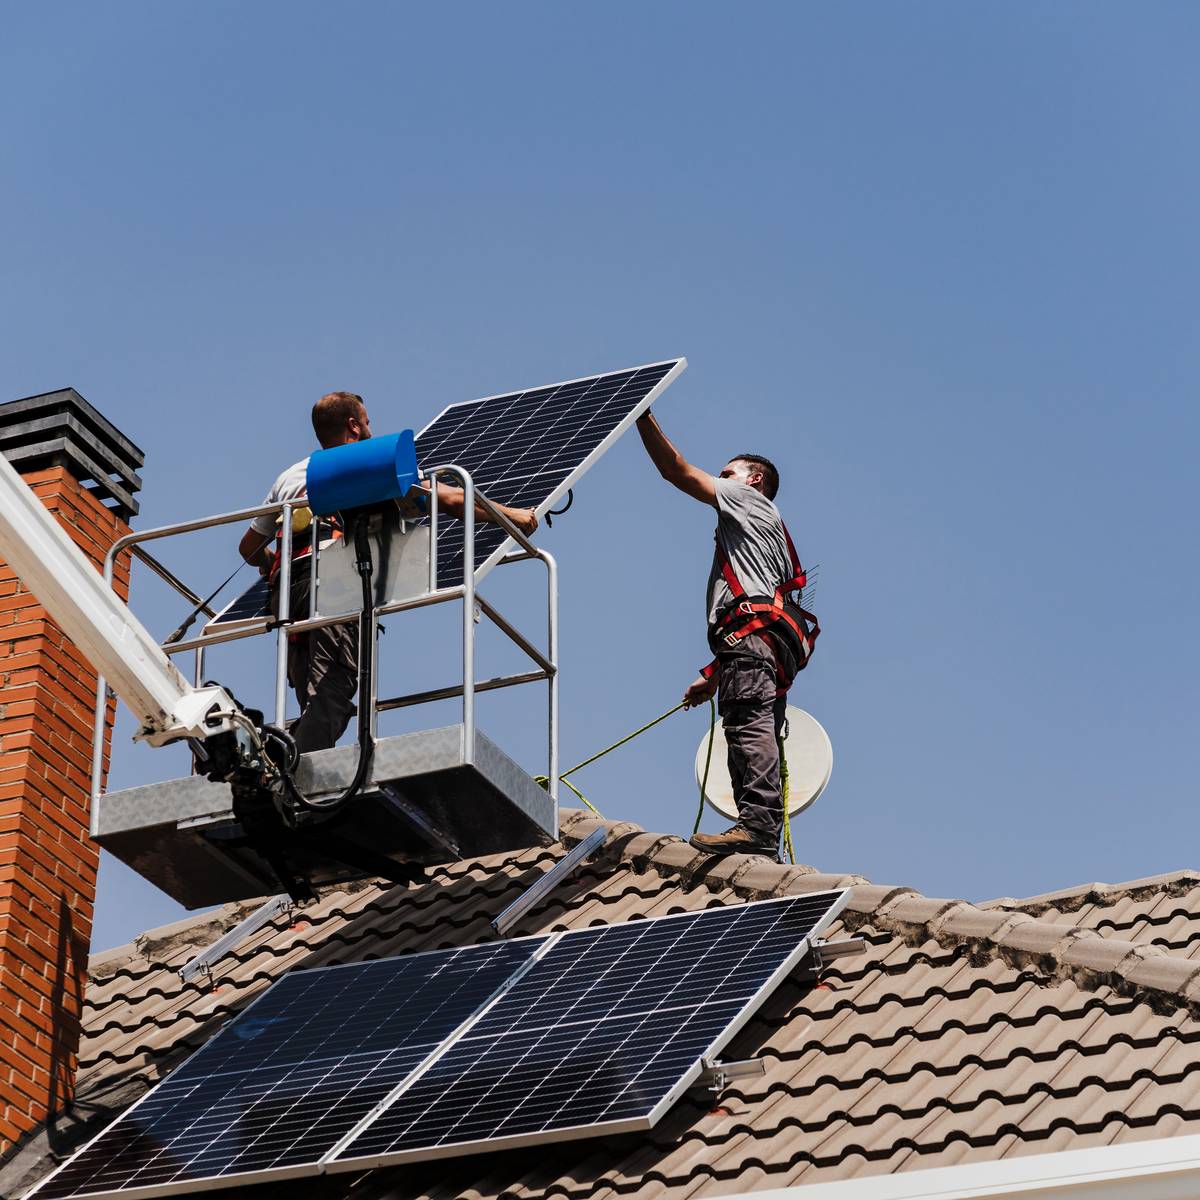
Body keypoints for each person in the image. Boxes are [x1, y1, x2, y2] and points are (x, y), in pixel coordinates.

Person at [239, 391, 538, 754]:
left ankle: (274, 756)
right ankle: (289, 771)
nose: (369, 428)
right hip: (334, 586)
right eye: (366, 421)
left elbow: (248, 548)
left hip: (289, 594)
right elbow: (453, 499)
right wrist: (517, 517)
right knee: (333, 692)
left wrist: (275, 564)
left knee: (313, 698)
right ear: (353, 425)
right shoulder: (365, 464)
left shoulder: (289, 476)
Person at [636, 409, 813, 861]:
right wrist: (714, 677)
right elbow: (758, 610)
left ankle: (756, 827)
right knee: (751, 723)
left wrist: (640, 416)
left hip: (751, 641)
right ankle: (757, 834)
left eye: (728, 473)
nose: (722, 480)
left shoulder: (748, 500)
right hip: (761, 644)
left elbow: (675, 471)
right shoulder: (760, 528)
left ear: (752, 482)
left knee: (747, 725)